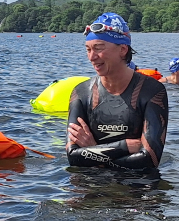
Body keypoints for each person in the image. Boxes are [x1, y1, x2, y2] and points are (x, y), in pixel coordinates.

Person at [67, 12, 168, 170]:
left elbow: (150, 160)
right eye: (88, 49)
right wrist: (125, 146)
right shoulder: (81, 93)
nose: (91, 57)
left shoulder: (152, 91)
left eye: (98, 48)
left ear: (122, 49)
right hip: (91, 187)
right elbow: (73, 157)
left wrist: (93, 150)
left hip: (137, 188)